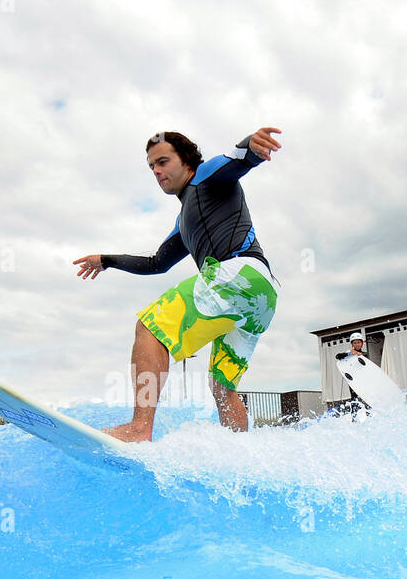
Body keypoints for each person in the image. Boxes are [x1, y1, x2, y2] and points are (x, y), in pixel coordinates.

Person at [74, 127, 283, 442]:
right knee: (222, 387)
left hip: (238, 273)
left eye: (162, 161)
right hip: (261, 297)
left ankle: (139, 428)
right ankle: (242, 453)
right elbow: (157, 263)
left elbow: (237, 160)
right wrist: (107, 259)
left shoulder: (206, 175)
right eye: (151, 167)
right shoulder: (184, 221)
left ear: (186, 160)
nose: (157, 171)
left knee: (150, 327)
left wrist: (250, 147)